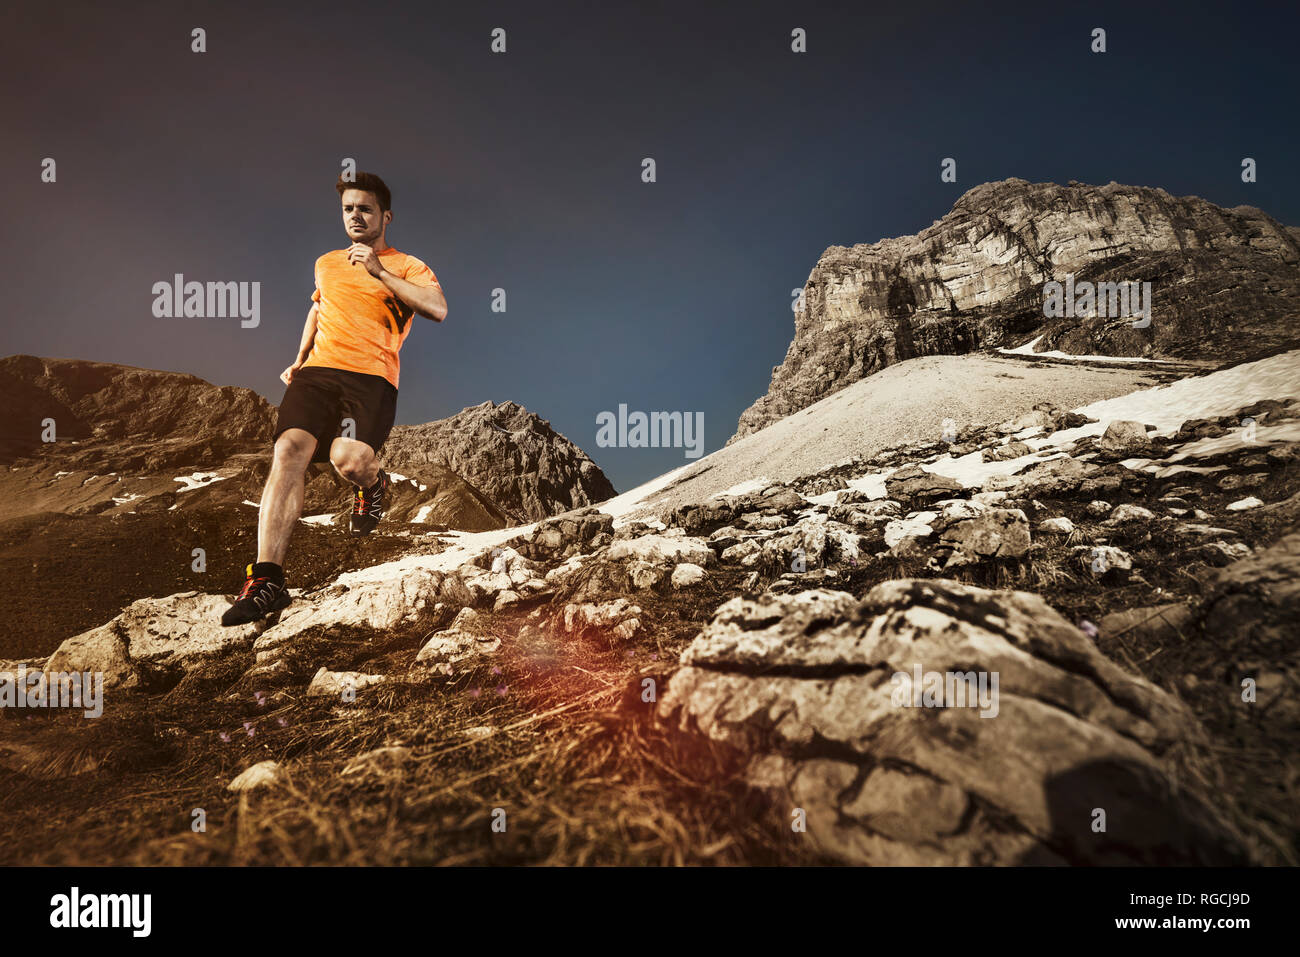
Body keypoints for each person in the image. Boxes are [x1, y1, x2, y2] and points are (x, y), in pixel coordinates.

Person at [221, 171, 447, 626]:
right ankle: (267, 581)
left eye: (365, 208)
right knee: (288, 450)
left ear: (385, 216)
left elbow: (437, 309)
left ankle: (372, 486)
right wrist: (300, 357)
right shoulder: (326, 262)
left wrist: (379, 271)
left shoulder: (408, 265)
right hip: (319, 372)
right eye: (348, 209)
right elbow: (319, 306)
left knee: (350, 460)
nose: (356, 216)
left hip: (373, 377)